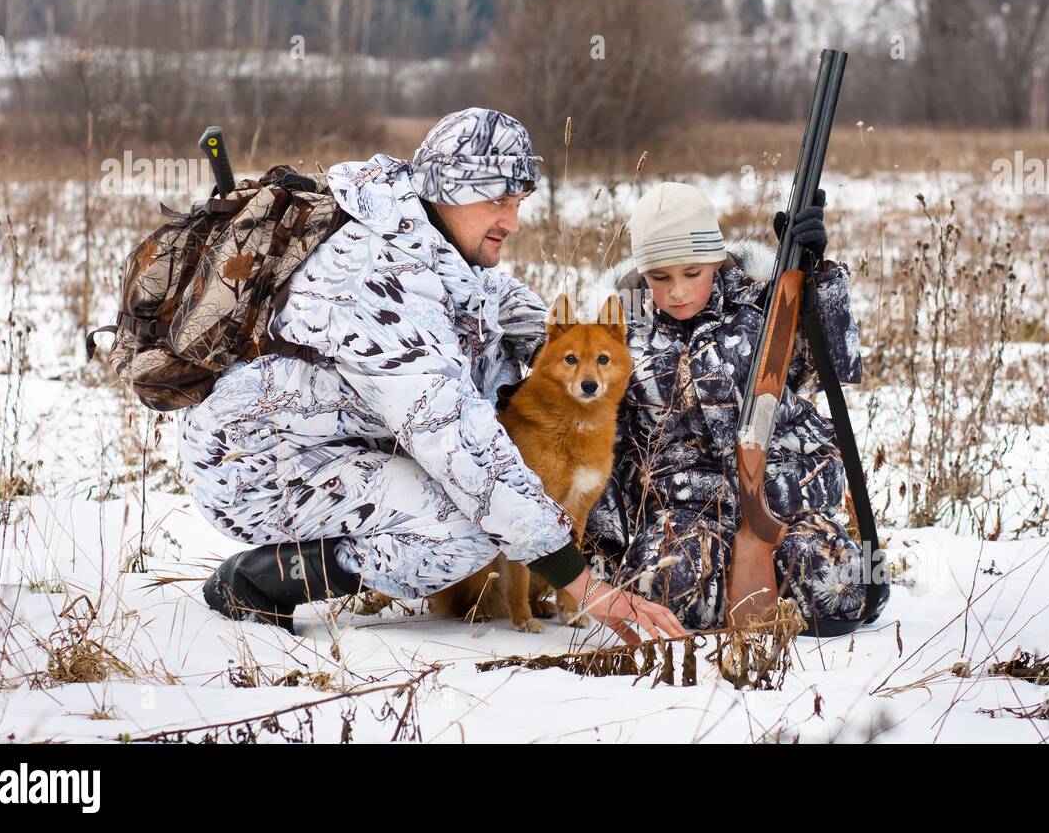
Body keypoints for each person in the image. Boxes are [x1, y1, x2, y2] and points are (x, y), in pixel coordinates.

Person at [181, 107, 684, 643]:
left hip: (334, 442)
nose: (511, 223)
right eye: (497, 201)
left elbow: (512, 312)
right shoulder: (374, 277)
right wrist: (584, 586)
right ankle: (260, 581)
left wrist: (590, 357)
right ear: (450, 188)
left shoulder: (434, 244)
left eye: (516, 204)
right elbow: (458, 443)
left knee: (494, 496)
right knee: (471, 529)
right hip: (254, 468)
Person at [584, 181, 873, 630]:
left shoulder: (763, 303)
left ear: (718, 260)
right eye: (661, 278)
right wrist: (604, 551)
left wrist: (818, 279)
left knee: (843, 592)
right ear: (643, 273)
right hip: (684, 508)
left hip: (784, 496)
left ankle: (777, 586)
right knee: (665, 593)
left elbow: (834, 368)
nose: (677, 291)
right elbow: (607, 446)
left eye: (693, 273)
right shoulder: (619, 332)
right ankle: (741, 590)